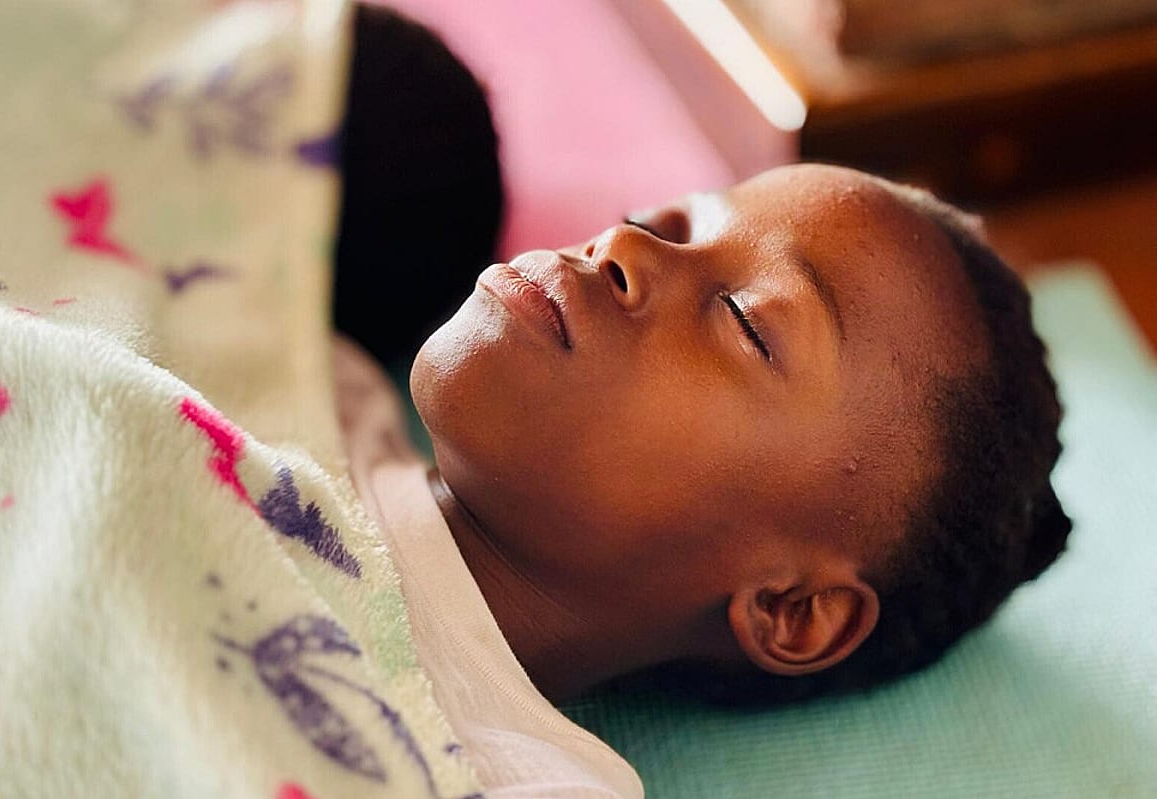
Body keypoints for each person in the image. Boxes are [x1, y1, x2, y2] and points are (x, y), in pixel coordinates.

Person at [331, 6, 1070, 794]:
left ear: (790, 607)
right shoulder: (311, 360)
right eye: (664, 222)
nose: (623, 247)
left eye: (747, 322)